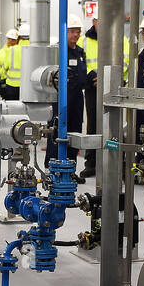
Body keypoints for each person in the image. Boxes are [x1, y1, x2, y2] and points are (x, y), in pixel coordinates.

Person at [45, 22, 94, 182]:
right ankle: (53, 170)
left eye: (78, 32)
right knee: (57, 130)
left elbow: (80, 75)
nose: (76, 35)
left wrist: (91, 78)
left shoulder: (80, 52)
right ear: (65, 33)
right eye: (72, 31)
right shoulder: (58, 51)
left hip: (77, 97)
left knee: (74, 131)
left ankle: (70, 170)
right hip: (61, 97)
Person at [79, 16, 100, 178]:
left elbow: (127, 61)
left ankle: (111, 163)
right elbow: (81, 63)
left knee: (113, 125)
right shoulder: (84, 41)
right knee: (92, 125)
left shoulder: (121, 39)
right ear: (94, 22)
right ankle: (91, 163)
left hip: (113, 86)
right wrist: (91, 76)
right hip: (92, 87)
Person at [1, 28, 22, 100]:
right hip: (21, 84)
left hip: (10, 84)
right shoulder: (3, 50)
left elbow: (4, 66)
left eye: (12, 39)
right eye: (9, 39)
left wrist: (2, 79)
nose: (10, 41)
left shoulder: (9, 50)